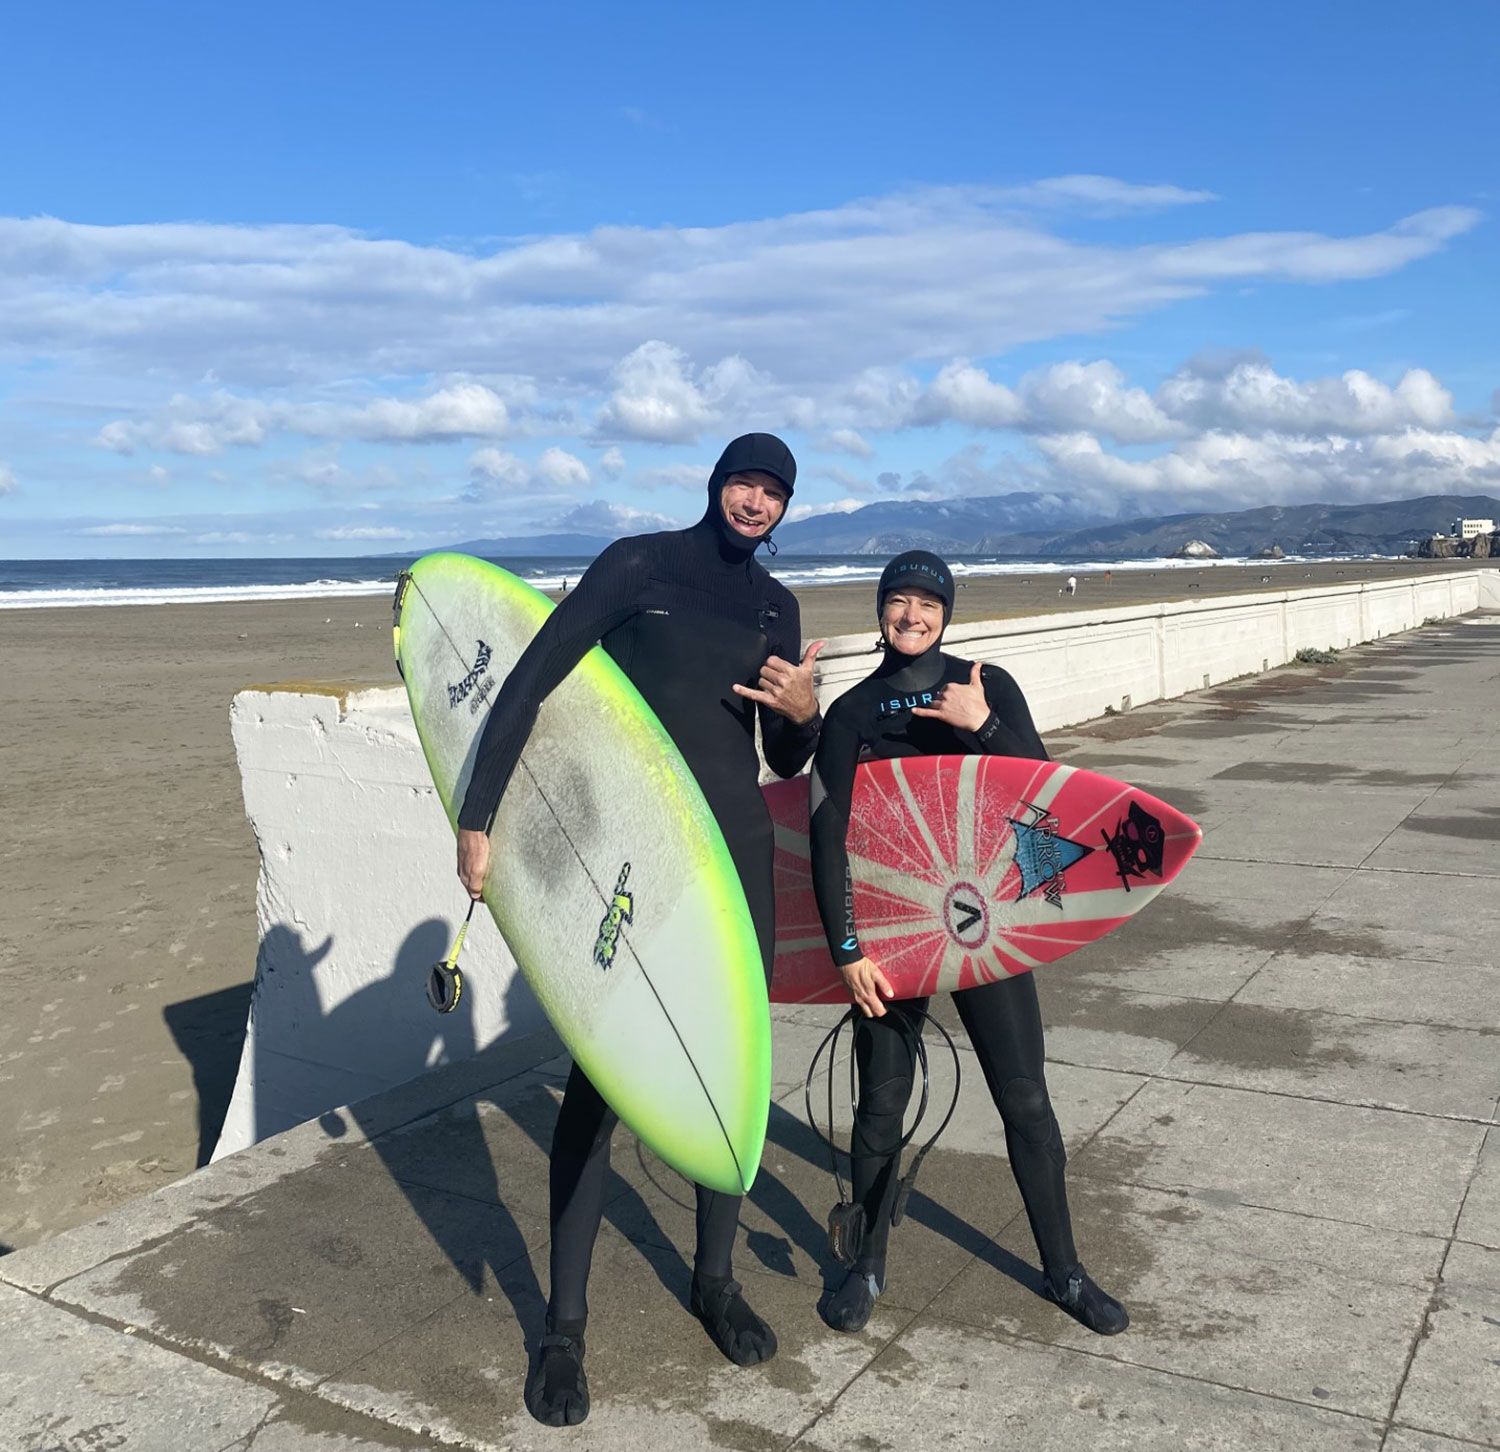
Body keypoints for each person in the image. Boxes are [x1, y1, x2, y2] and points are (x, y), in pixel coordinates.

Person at [456, 433, 823, 1426]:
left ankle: (714, 1280)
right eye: (746, 482)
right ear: (717, 484)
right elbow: (530, 681)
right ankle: (564, 1329)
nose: (756, 502)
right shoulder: (639, 564)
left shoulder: (776, 607)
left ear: (785, 510)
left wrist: (805, 709)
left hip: (735, 857)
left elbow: (785, 755)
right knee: (600, 1082)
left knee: (725, 1066)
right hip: (628, 858)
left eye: (775, 493)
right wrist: (478, 815)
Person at [807, 550, 1128, 1336]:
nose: (911, 615)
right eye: (898, 601)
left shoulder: (986, 684)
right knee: (880, 1105)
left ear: (947, 613)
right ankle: (868, 1265)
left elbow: (1047, 793)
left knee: (1025, 1099)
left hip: (984, 928)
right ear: (880, 610)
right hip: (891, 936)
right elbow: (826, 837)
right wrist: (847, 952)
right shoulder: (852, 714)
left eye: (927, 602)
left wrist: (977, 725)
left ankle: (1065, 1273)